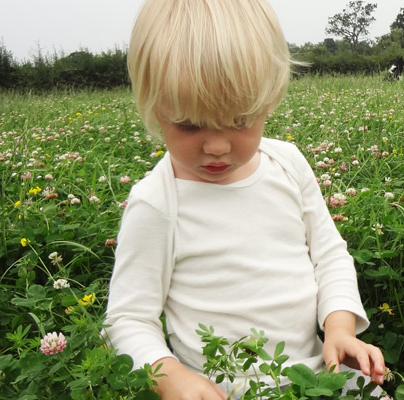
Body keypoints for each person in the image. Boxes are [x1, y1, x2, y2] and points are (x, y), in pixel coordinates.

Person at [103, 0, 386, 399]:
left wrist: (339, 328)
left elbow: (330, 256)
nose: (217, 146)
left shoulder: (287, 163)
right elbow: (129, 317)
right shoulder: (156, 201)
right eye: (188, 124)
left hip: (320, 375)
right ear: (152, 107)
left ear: (268, 101)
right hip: (220, 389)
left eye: (240, 120)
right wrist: (171, 377)